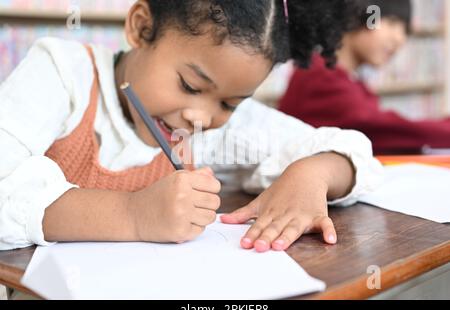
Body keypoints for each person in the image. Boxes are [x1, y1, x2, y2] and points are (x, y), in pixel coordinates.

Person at [0, 0, 381, 255]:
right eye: (190, 86)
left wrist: (311, 175)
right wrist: (133, 214)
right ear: (141, 27)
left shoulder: (214, 127)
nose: (202, 117)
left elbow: (350, 151)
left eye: (231, 104)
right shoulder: (63, 73)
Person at [280, 0, 450, 155]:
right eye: (391, 22)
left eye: (405, 31)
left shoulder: (345, 78)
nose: (399, 39)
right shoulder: (320, 77)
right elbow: (385, 129)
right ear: (364, 16)